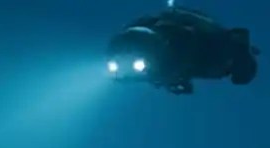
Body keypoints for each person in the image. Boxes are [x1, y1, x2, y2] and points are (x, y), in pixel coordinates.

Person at [107, 5, 259, 94]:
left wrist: (177, 82)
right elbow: (199, 25)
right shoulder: (219, 43)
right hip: (170, 42)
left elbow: (189, 68)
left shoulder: (218, 60)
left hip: (172, 50)